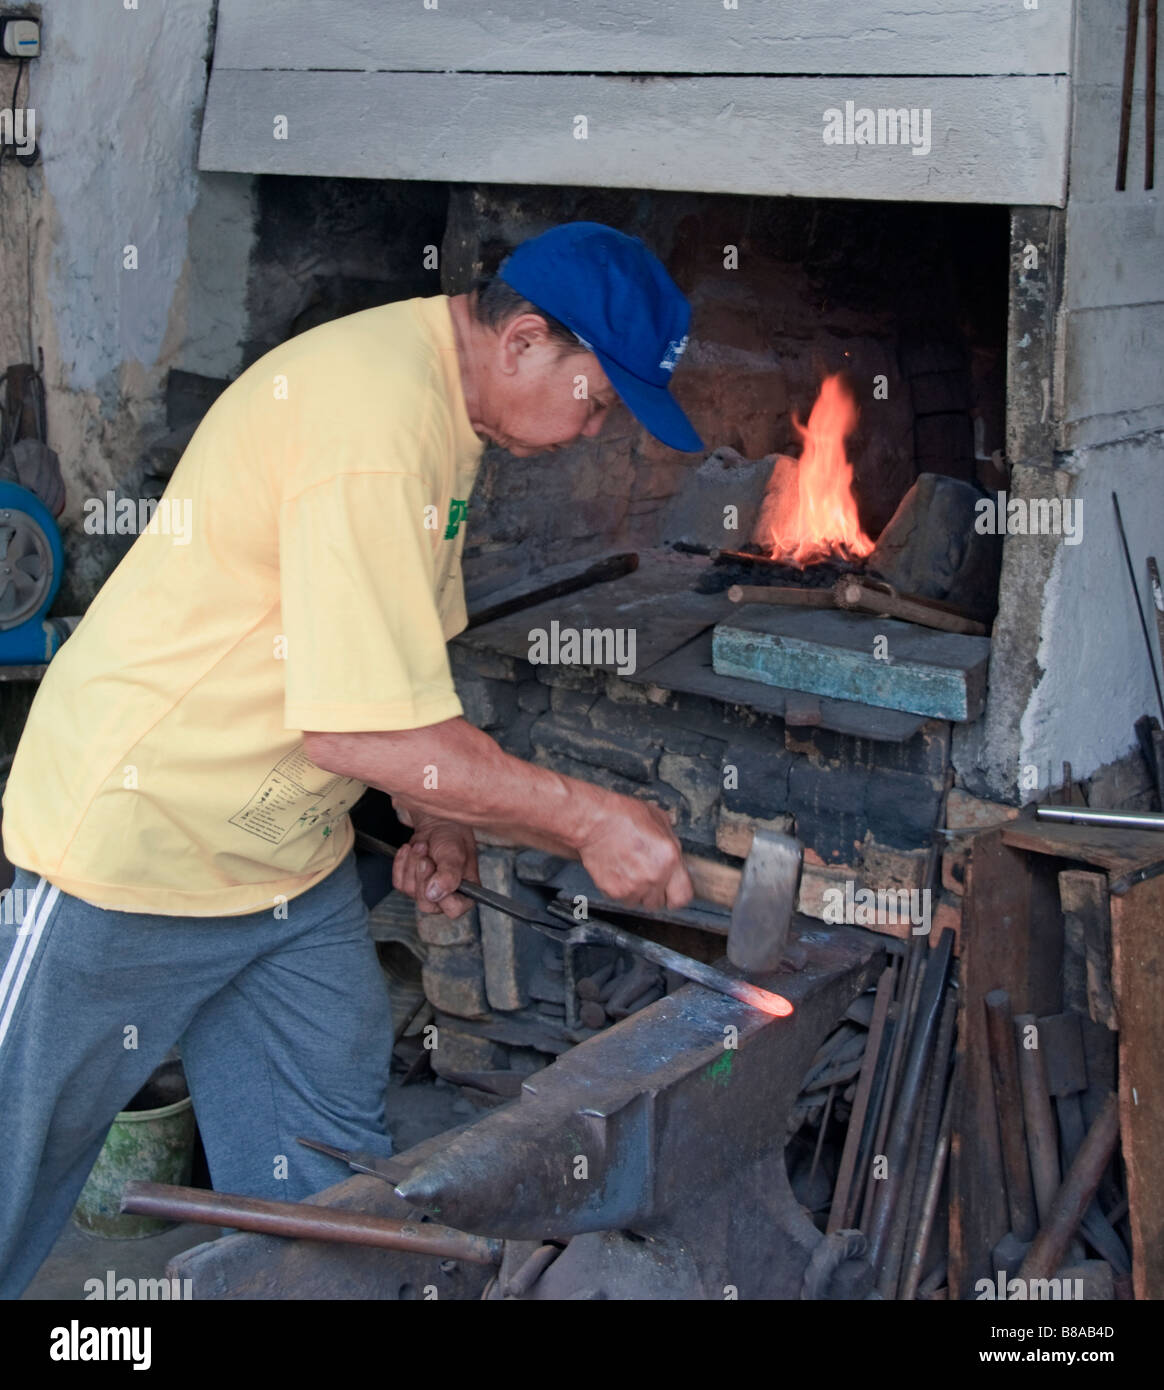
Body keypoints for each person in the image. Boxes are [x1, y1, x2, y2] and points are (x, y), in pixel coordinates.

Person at [0, 221, 703, 1296]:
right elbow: (356, 731)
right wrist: (588, 817)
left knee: (329, 1187)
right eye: (596, 398)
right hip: (136, 836)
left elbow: (389, 669)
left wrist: (441, 813)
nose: (593, 429)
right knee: (18, 1152)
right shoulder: (376, 422)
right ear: (522, 342)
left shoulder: (439, 417)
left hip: (280, 857)